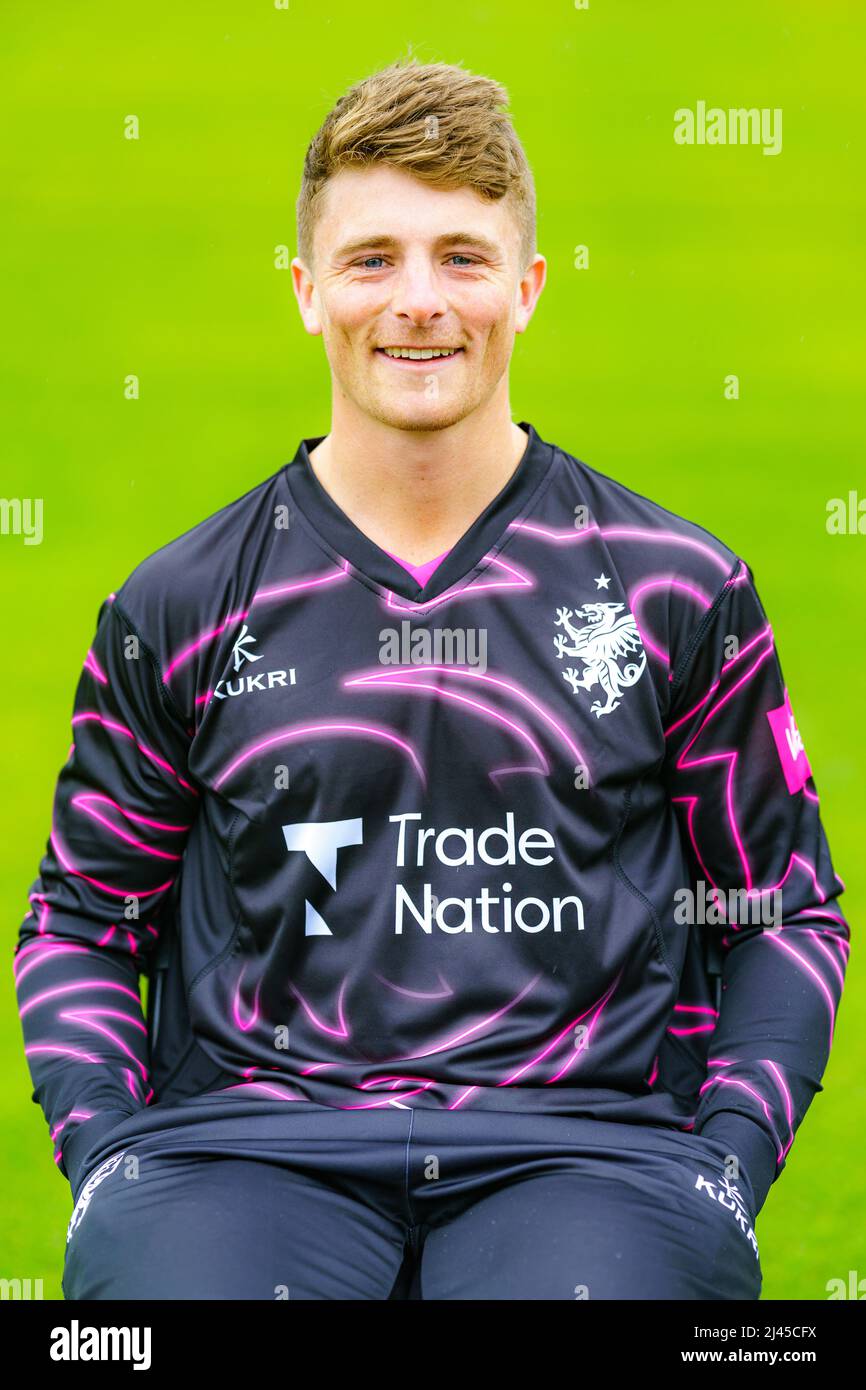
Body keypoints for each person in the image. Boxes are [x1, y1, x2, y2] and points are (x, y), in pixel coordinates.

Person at [15, 58, 849, 1301]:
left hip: (591, 1152)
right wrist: (107, 1159)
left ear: (526, 286)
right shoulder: (180, 604)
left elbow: (778, 908)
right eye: (372, 259)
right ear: (306, 293)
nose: (418, 302)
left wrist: (722, 1160)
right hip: (240, 1151)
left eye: (461, 257)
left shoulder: (674, 588)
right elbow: (85, 917)